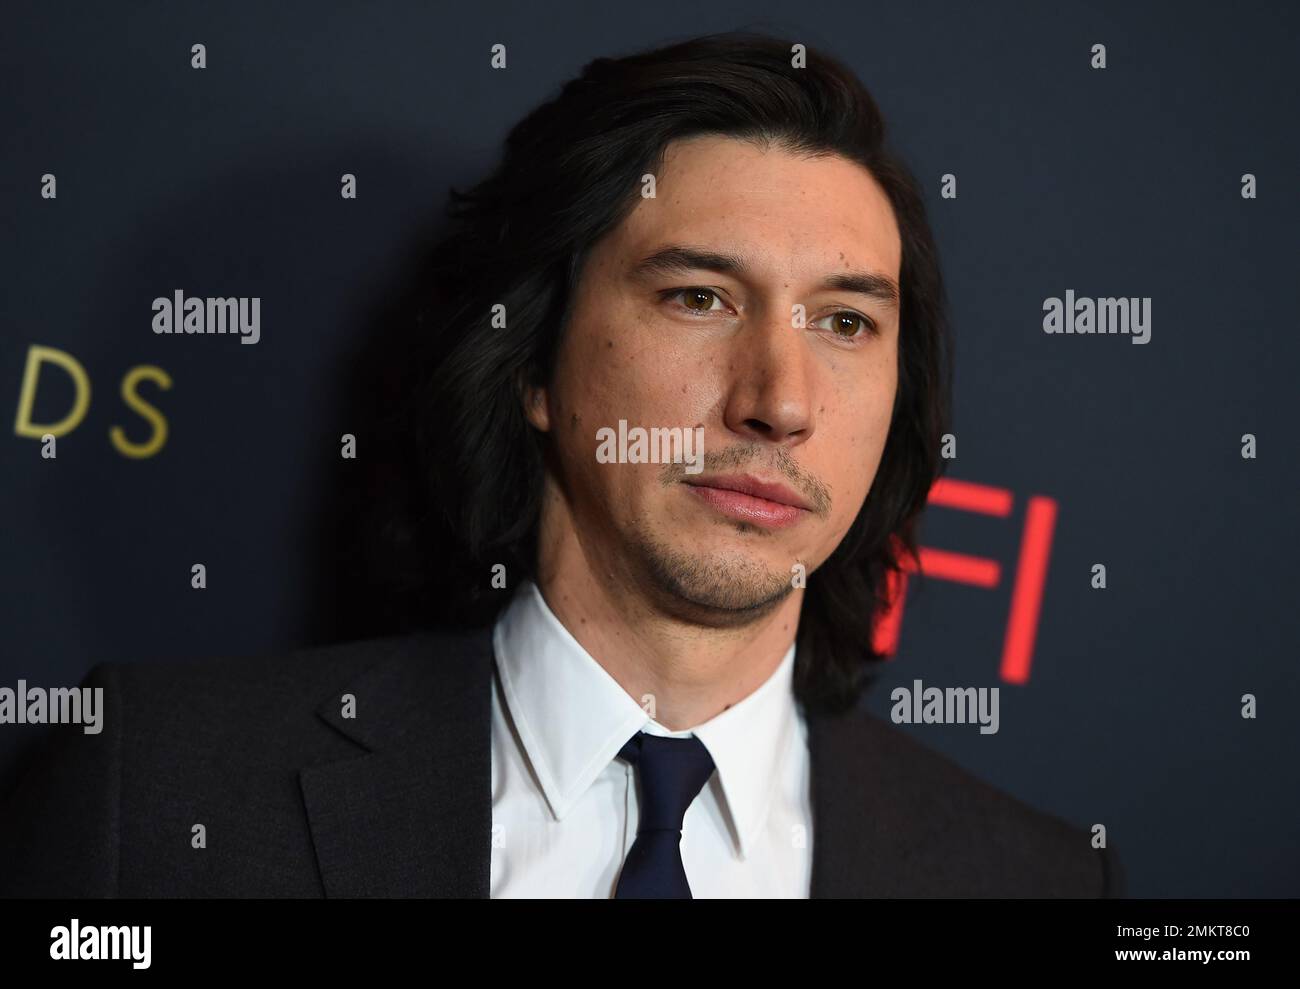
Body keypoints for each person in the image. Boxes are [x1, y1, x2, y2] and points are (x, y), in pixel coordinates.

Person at [0, 31, 1123, 898]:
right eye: (698, 297)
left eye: (844, 322)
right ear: (533, 359)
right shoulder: (158, 793)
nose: (777, 400)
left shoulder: (1036, 881)